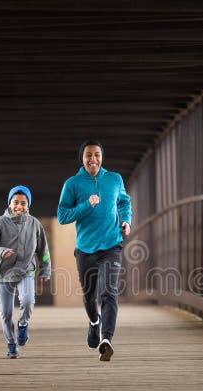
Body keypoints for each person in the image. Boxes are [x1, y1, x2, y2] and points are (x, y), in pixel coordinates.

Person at [57, 140, 132, 362]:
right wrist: (85, 206)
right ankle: (94, 322)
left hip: (112, 244)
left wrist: (127, 220)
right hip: (85, 248)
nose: (93, 159)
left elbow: (124, 203)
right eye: (89, 155)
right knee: (90, 297)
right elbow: (62, 216)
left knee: (109, 292)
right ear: (82, 158)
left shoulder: (114, 179)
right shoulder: (72, 184)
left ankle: (106, 340)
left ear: (102, 157)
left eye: (97, 155)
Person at [0, 185, 51, 358]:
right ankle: (12, 344)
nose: (19, 206)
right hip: (4, 272)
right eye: (15, 202)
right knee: (5, 313)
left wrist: (45, 270)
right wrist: (1, 251)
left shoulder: (34, 223)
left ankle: (23, 324)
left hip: (26, 269)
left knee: (27, 301)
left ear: (28, 205)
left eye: (23, 203)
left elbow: (43, 250)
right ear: (9, 203)